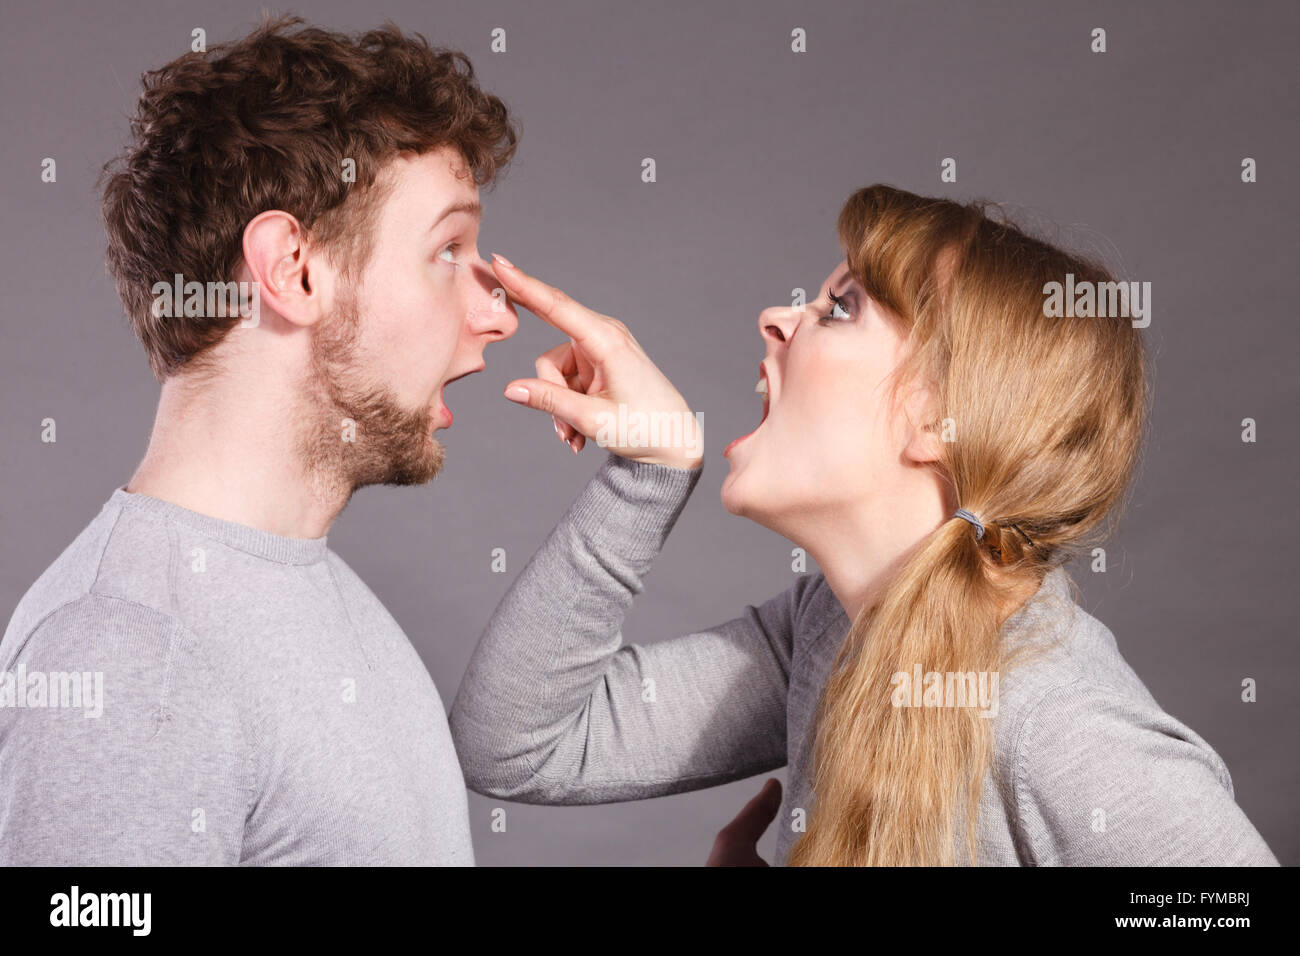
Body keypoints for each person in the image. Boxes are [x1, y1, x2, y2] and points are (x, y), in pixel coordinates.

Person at [451, 186, 1280, 866]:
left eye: (839, 308)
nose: (777, 318)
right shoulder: (829, 632)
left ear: (941, 420)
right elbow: (519, 743)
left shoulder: (1055, 718)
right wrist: (647, 476)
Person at [0, 16, 517, 864]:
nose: (496, 314)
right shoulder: (125, 651)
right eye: (448, 251)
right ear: (294, 269)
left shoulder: (320, 596)